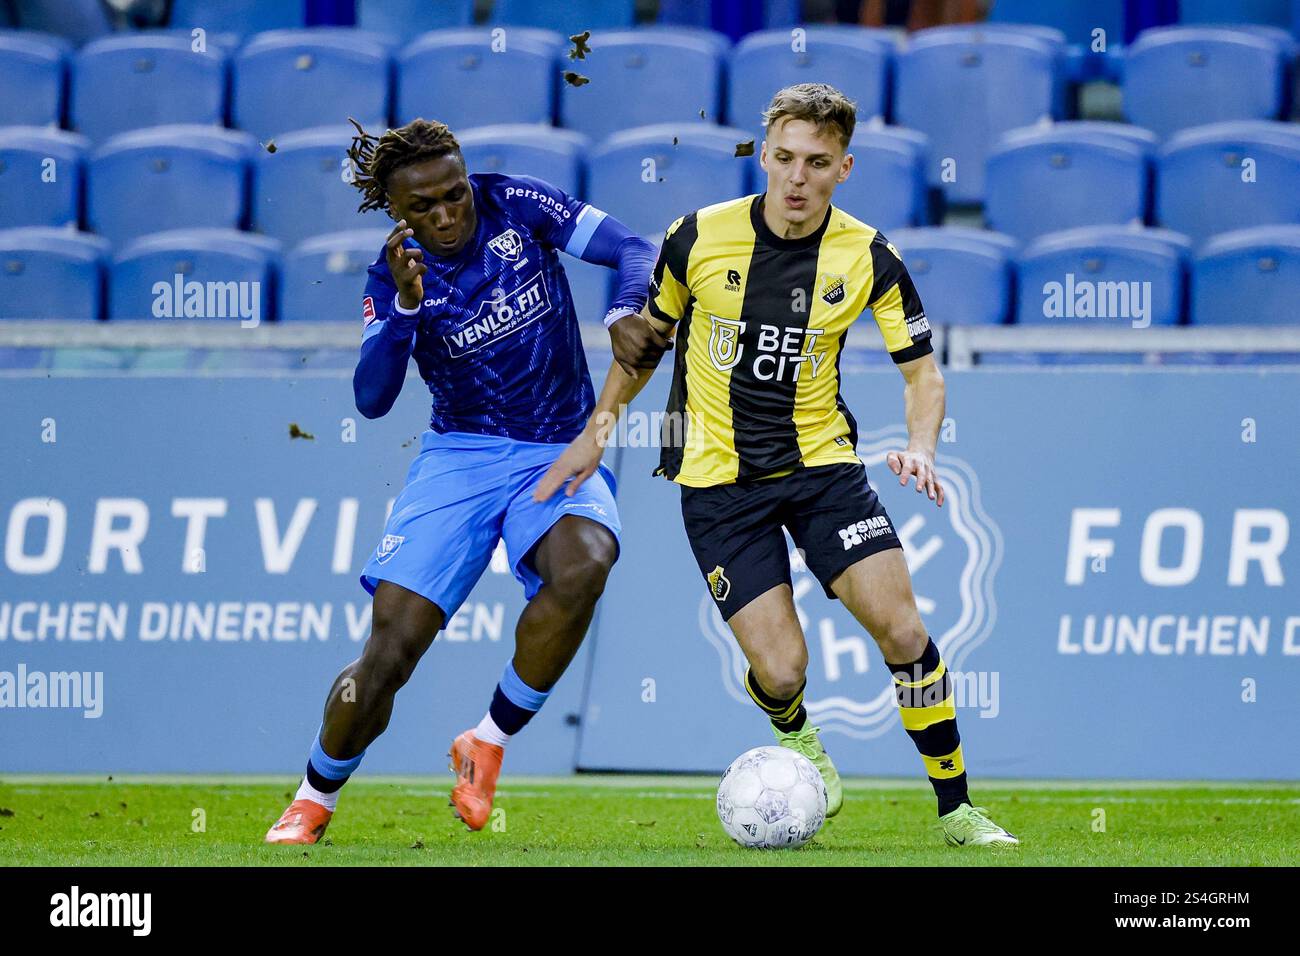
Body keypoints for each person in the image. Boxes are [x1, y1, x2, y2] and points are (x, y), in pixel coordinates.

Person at [541, 84, 1017, 847]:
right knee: (784, 671)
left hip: (824, 471)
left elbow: (923, 373)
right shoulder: (695, 237)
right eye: (786, 158)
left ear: (845, 167)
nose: (798, 178)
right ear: (764, 155)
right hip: (717, 485)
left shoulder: (867, 256)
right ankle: (796, 735)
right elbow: (645, 346)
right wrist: (599, 432)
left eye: (818, 163)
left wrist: (922, 447)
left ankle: (957, 807)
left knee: (902, 628)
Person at [265, 118, 657, 844]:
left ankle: (489, 739)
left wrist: (625, 310)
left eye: (454, 195)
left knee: (585, 565)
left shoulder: (518, 203)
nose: (446, 215)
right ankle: (313, 798)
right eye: (424, 207)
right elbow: (372, 400)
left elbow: (636, 247)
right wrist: (407, 310)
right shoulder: (392, 274)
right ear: (396, 211)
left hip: (556, 445)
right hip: (462, 456)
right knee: (389, 654)